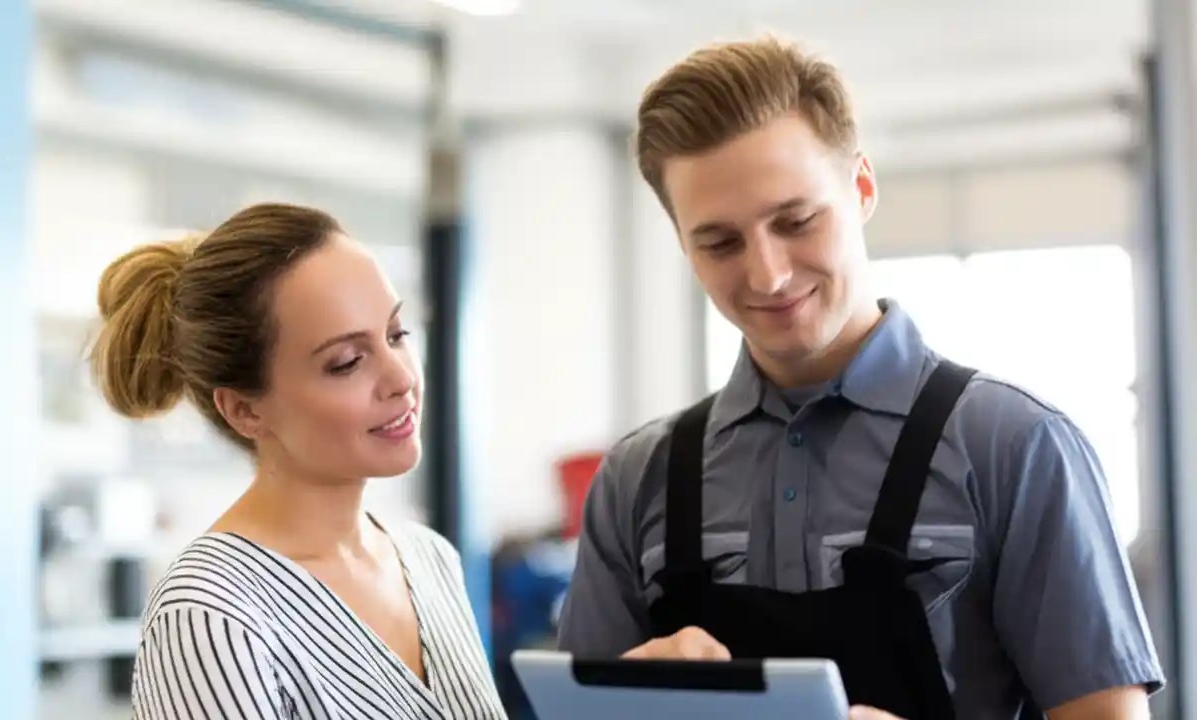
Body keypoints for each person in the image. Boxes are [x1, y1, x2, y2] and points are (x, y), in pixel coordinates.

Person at [556, 35, 1165, 720]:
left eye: (796, 220)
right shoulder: (637, 481)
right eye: (720, 242)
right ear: (682, 243)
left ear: (863, 188)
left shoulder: (1017, 448)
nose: (768, 274)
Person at [91, 203, 506, 719]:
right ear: (245, 411)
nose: (401, 377)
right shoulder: (212, 610)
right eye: (347, 362)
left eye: (396, 335)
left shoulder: (429, 559)